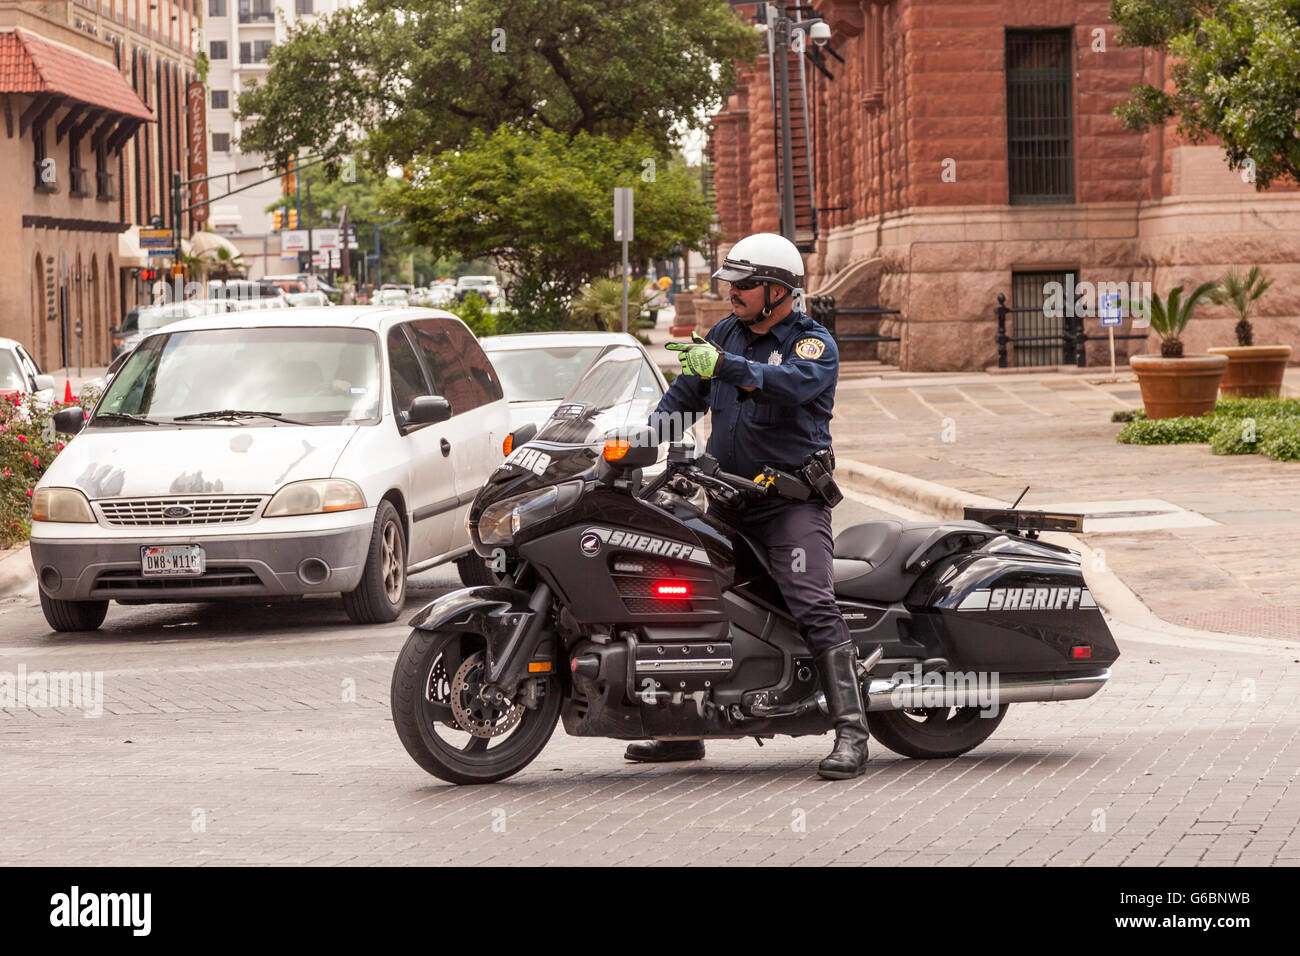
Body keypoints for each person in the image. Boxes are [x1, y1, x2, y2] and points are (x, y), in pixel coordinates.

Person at [628, 232, 869, 780]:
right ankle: (684, 729)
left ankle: (852, 731)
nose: (731, 292)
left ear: (776, 291)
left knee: (811, 601)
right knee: (680, 597)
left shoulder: (813, 344)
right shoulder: (724, 334)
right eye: (729, 283)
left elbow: (786, 386)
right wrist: (636, 446)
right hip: (726, 500)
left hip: (788, 505)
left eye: (742, 285)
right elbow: (684, 399)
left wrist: (727, 367)